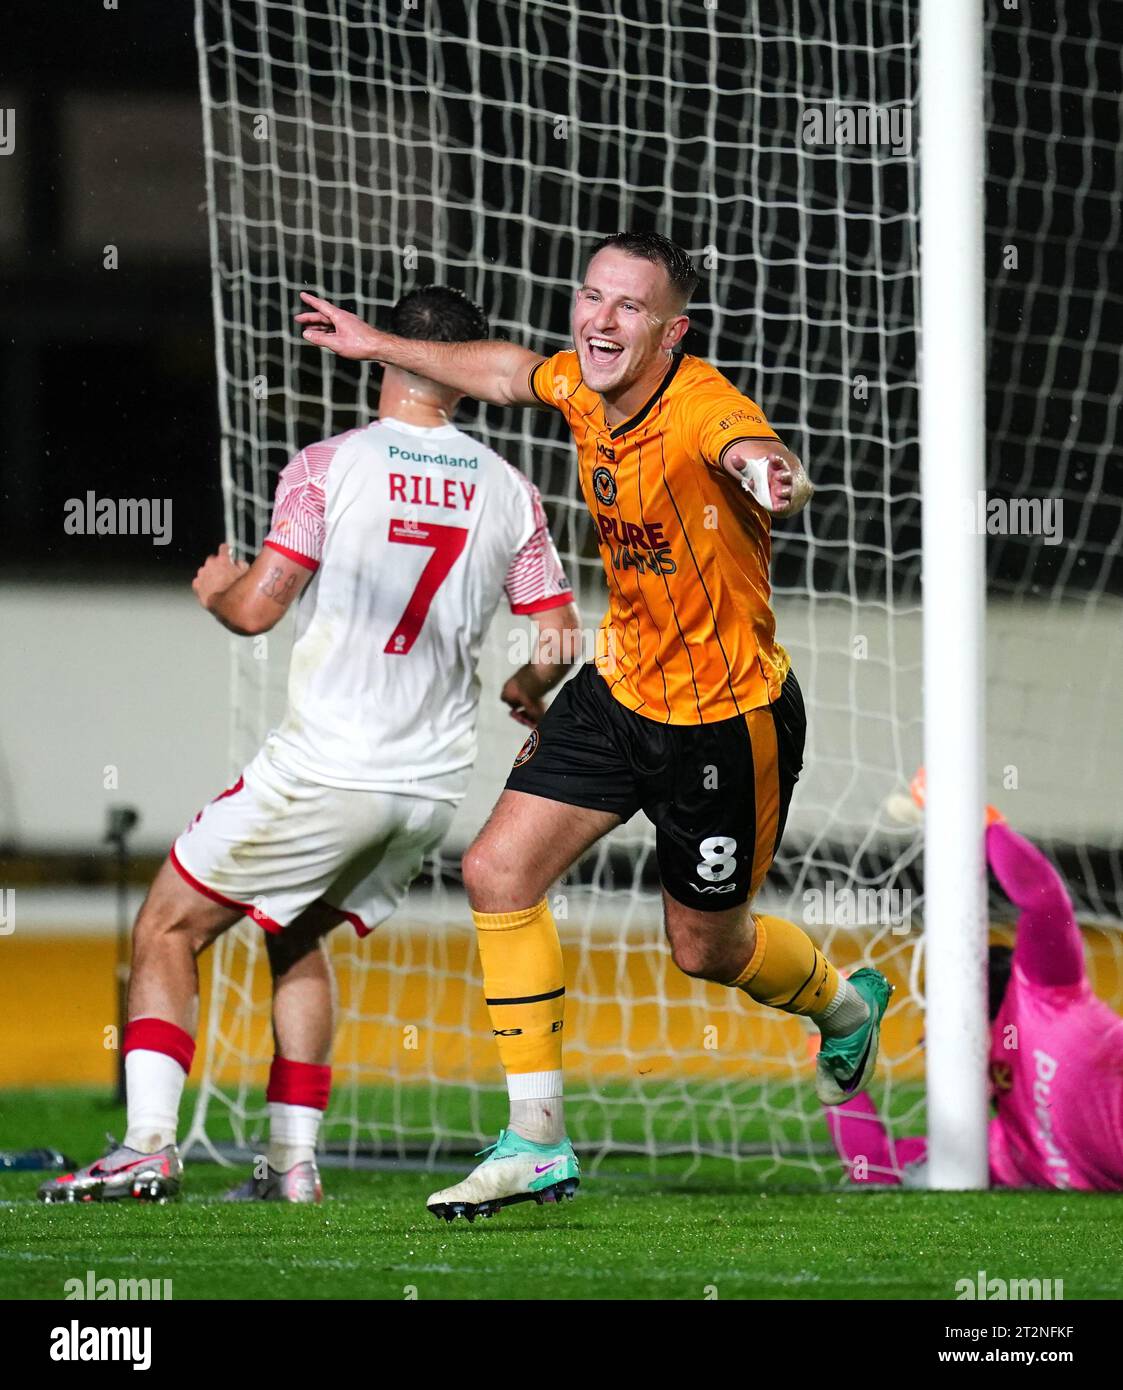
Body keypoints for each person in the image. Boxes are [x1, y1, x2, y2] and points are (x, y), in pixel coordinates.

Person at [300, 232, 893, 1221]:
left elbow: (754, 449)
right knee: (495, 869)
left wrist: (773, 473)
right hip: (617, 691)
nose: (600, 320)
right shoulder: (581, 383)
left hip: (722, 723)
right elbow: (503, 371)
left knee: (704, 949)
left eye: (628, 308)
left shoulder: (702, 406)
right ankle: (535, 1139)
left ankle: (841, 1003)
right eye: (591, 297)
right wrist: (383, 347)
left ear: (673, 330)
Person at [39, 286, 580, 1205]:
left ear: (390, 353)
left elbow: (259, 610)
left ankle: (146, 1147)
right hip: (427, 791)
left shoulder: (332, 465)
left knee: (167, 925)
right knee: (292, 933)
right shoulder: (508, 489)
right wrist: (524, 692)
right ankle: (291, 1165)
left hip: (329, 769)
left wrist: (216, 590)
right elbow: (560, 635)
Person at [826, 811, 1123, 1191]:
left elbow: (1042, 902)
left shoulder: (1046, 1000)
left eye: (933, 1014)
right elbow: (874, 1166)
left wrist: (982, 825)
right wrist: (833, 1042)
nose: (922, 1039)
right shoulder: (1008, 1148)